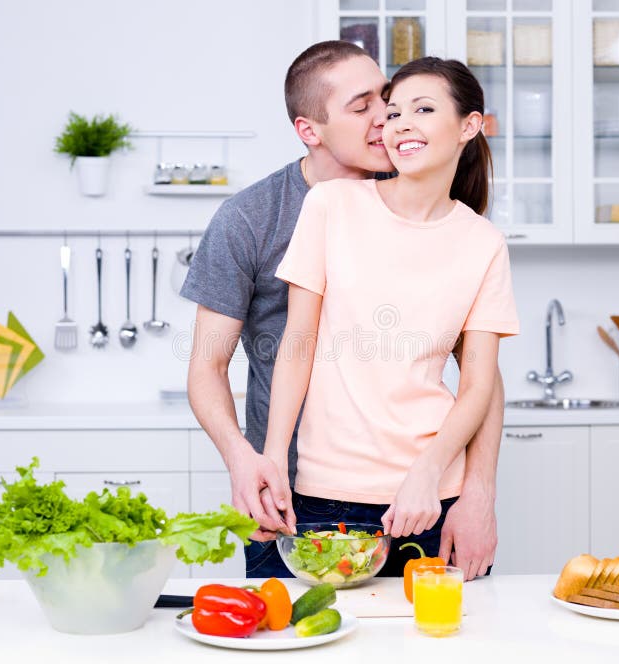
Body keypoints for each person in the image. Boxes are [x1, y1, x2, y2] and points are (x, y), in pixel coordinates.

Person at [183, 42, 506, 580]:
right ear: (311, 130)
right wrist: (244, 460)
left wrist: (477, 492)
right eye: (365, 107)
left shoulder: (431, 203)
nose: (388, 118)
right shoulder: (251, 218)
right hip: (286, 489)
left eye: (390, 99)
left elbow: (482, 378)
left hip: (418, 490)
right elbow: (207, 366)